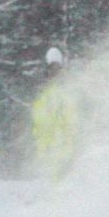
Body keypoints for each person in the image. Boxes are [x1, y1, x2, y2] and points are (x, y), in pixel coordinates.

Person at [30, 47, 79, 181]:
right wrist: (42, 149)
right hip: (50, 152)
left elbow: (73, 121)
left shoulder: (68, 91)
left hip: (67, 150)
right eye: (51, 69)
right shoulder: (43, 97)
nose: (54, 73)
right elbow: (38, 127)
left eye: (57, 69)